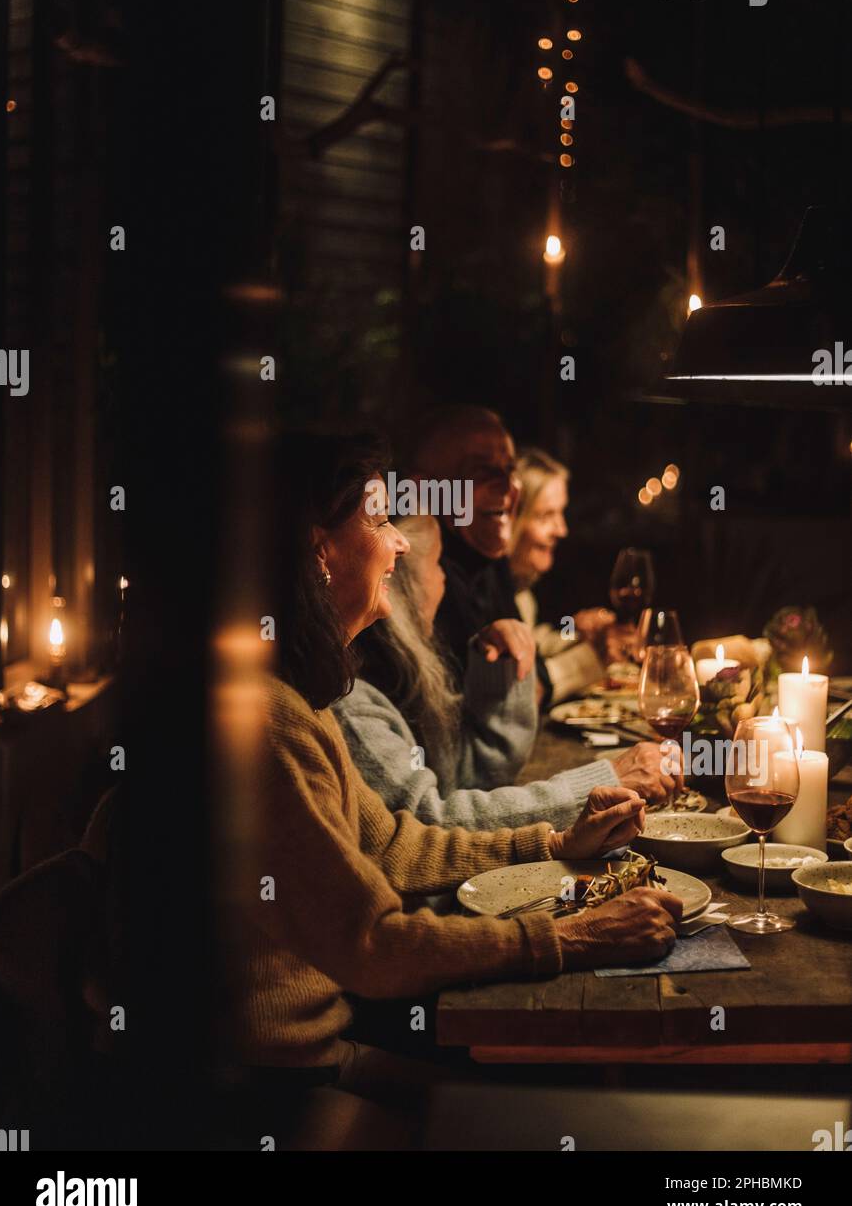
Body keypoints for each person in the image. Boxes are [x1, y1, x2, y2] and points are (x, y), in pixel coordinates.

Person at [237, 431, 682, 1145]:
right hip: (267, 1084)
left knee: (552, 1105)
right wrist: (571, 937)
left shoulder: (299, 700)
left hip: (325, 1050)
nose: (403, 545)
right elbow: (374, 946)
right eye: (381, 520)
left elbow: (394, 844)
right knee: (552, 1123)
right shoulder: (269, 723)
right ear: (320, 553)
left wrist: (555, 843)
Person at [334, 512, 678, 828]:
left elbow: (472, 778)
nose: (446, 580)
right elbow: (429, 822)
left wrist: (499, 673)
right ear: (402, 580)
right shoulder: (347, 700)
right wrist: (603, 783)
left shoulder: (398, 673)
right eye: (439, 564)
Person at [509, 447, 643, 703]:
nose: (562, 530)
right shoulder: (483, 591)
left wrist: (577, 633)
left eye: (561, 513)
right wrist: (594, 656)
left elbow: (533, 642)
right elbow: (517, 692)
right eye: (546, 515)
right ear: (510, 518)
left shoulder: (521, 591)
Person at [408, 405, 524, 681]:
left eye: (509, 468)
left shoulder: (489, 559)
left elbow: (529, 667)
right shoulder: (422, 575)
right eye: (482, 470)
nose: (506, 485)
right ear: (426, 491)